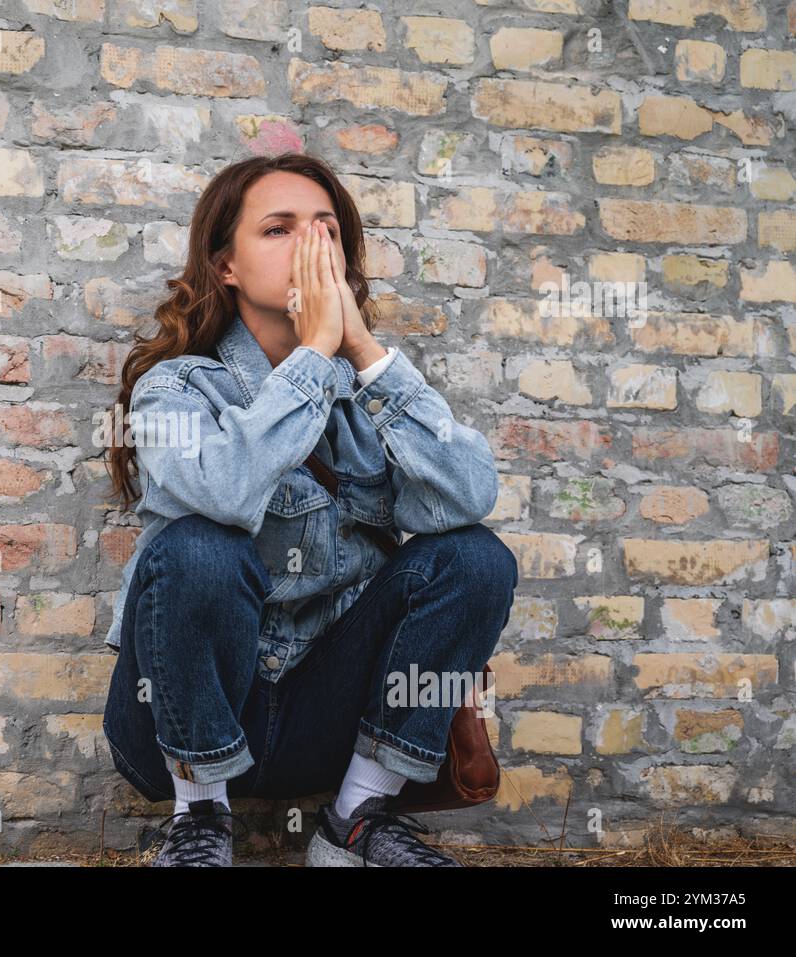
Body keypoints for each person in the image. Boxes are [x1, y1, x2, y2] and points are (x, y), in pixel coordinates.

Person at [100, 154, 518, 866]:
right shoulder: (176, 388)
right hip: (174, 721)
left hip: (324, 719)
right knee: (198, 544)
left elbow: (470, 493)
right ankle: (199, 821)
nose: (312, 244)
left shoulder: (369, 396)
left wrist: (360, 349)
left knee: (477, 556)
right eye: (279, 228)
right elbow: (224, 490)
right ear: (226, 266)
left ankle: (356, 818)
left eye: (327, 228)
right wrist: (315, 353)